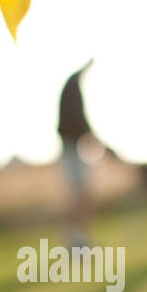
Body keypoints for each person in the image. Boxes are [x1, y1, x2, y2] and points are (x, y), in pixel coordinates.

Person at [57, 60, 95, 245]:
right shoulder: (73, 88)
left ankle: (79, 237)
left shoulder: (71, 87)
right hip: (70, 146)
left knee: (82, 193)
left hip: (74, 146)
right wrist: (90, 134)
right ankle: (75, 239)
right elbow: (77, 118)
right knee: (79, 193)